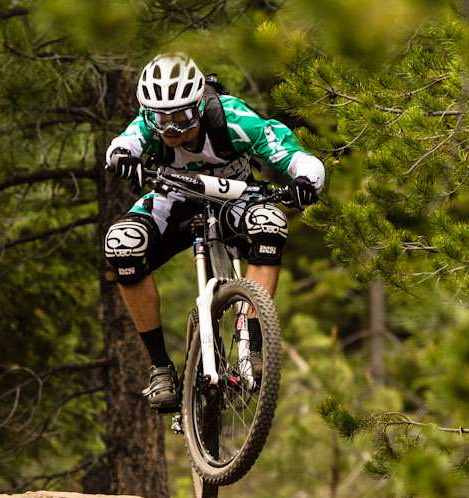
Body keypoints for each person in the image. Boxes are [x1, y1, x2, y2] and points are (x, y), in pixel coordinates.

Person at [103, 53, 325, 411]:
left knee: (271, 222)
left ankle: (250, 346)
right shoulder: (151, 125)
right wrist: (123, 159)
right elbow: (122, 144)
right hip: (172, 200)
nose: (171, 129)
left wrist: (306, 181)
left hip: (234, 200)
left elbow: (292, 153)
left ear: (199, 103)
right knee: (122, 245)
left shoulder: (233, 118)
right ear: (149, 112)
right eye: (161, 119)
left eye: (182, 117)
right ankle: (160, 366)